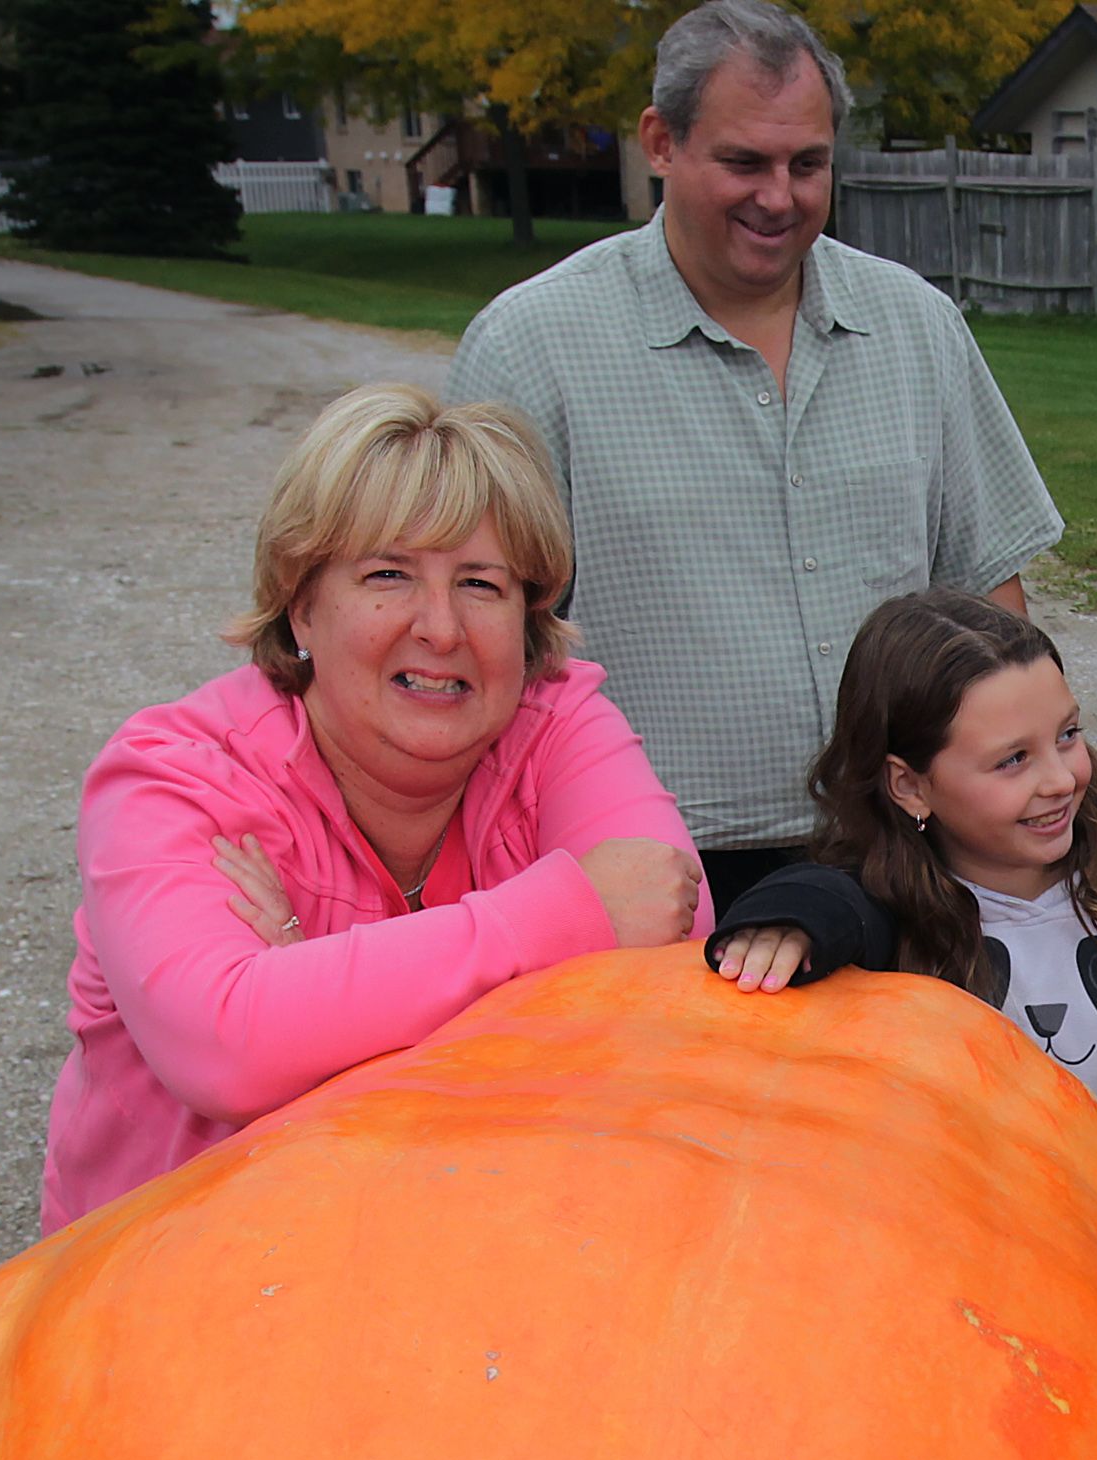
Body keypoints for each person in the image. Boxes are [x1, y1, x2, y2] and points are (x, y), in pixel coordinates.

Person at [446, 0, 1063, 921]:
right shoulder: (533, 349)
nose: (780, 196)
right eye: (744, 161)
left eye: (807, 164)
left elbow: (985, 595)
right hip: (652, 880)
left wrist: (1022, 798)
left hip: (898, 858)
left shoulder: (915, 327)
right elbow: (471, 633)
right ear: (661, 141)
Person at [39, 384, 706, 1234]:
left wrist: (304, 977)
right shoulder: (174, 778)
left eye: (481, 584)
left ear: (529, 617)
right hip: (179, 1263)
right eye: (388, 574)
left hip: (463, 1241)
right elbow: (226, 1047)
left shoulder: (555, 717)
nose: (440, 627)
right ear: (301, 601)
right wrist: (566, 915)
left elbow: (666, 939)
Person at [701, 589, 1097, 1266]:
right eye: (1012, 759)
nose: (1059, 779)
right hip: (950, 1308)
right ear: (909, 787)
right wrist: (787, 921)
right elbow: (828, 896)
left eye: (1067, 736)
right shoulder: (889, 925)